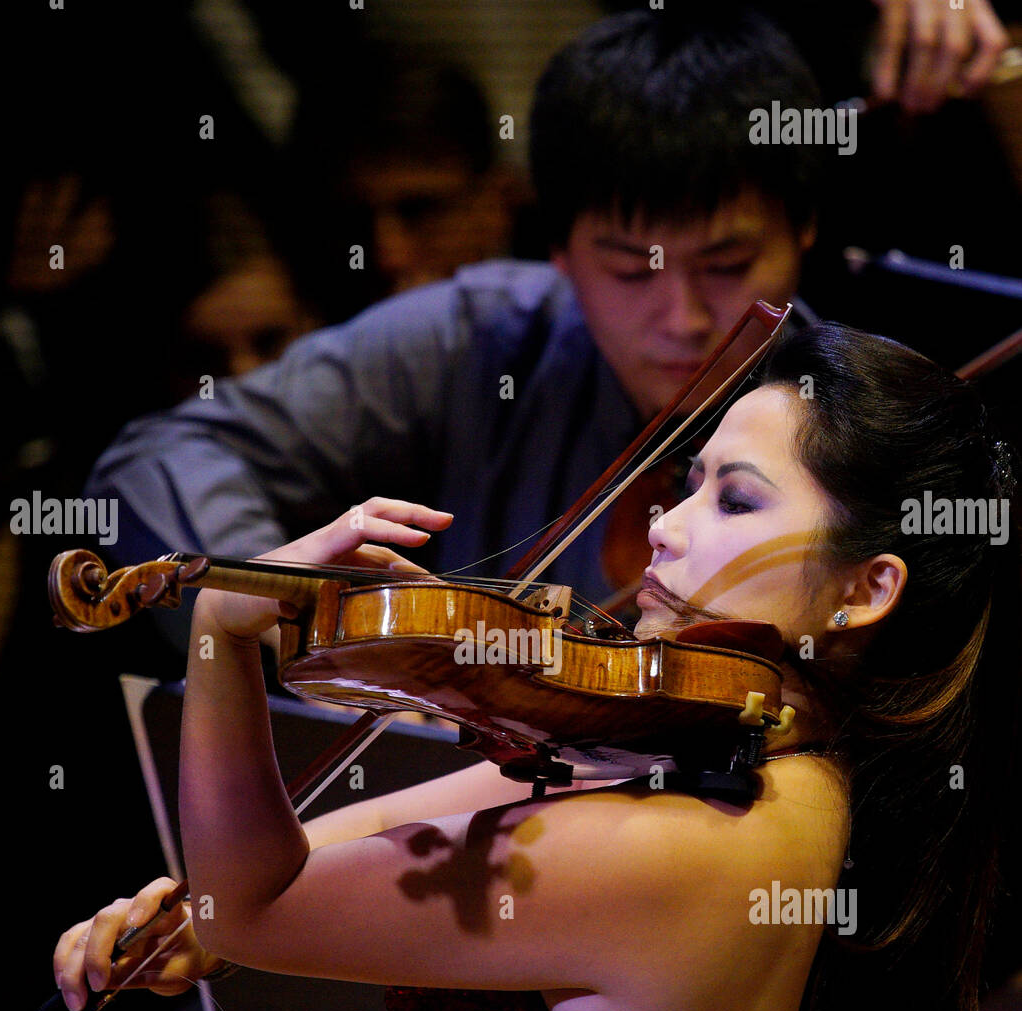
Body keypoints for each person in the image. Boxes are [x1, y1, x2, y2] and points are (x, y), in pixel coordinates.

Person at [54, 322, 1021, 1011]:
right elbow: (281, 875)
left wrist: (225, 625)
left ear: (865, 590)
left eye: (733, 500)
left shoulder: (699, 848)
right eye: (687, 482)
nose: (665, 524)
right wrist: (195, 909)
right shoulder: (714, 751)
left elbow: (252, 904)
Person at [83, 7, 825, 651]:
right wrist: (285, 617)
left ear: (804, 231)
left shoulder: (853, 425)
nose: (683, 319)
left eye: (726, 263)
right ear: (559, 249)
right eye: (631, 269)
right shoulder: (476, 334)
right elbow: (156, 457)